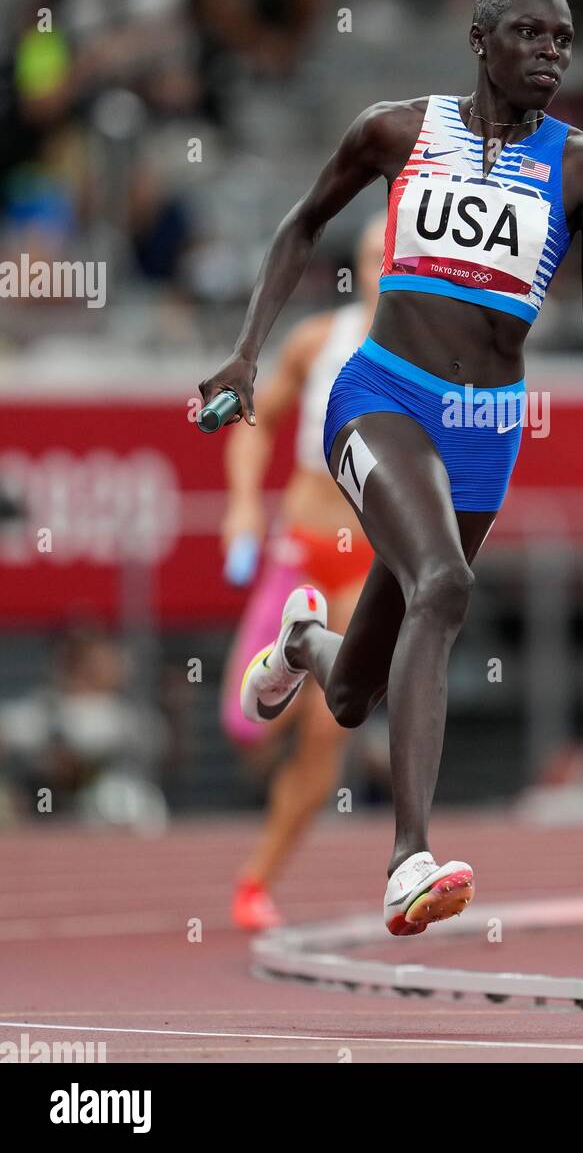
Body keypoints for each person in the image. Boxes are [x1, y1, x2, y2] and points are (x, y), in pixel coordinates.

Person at [199, 0, 583, 936]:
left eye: (564, 39)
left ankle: (301, 642)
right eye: (528, 34)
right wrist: (244, 355)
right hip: (382, 396)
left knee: (356, 690)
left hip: (486, 428)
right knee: (443, 586)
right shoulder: (396, 132)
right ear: (478, 41)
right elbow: (298, 225)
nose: (548, 52)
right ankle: (408, 855)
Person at [220, 213, 383, 929]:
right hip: (300, 548)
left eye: (401, 254)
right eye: (378, 255)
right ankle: (279, 678)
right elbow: (252, 417)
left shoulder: (442, 360)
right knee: (246, 724)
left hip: (368, 563)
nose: (389, 267)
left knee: (327, 729)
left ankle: (256, 882)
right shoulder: (320, 341)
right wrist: (243, 506)